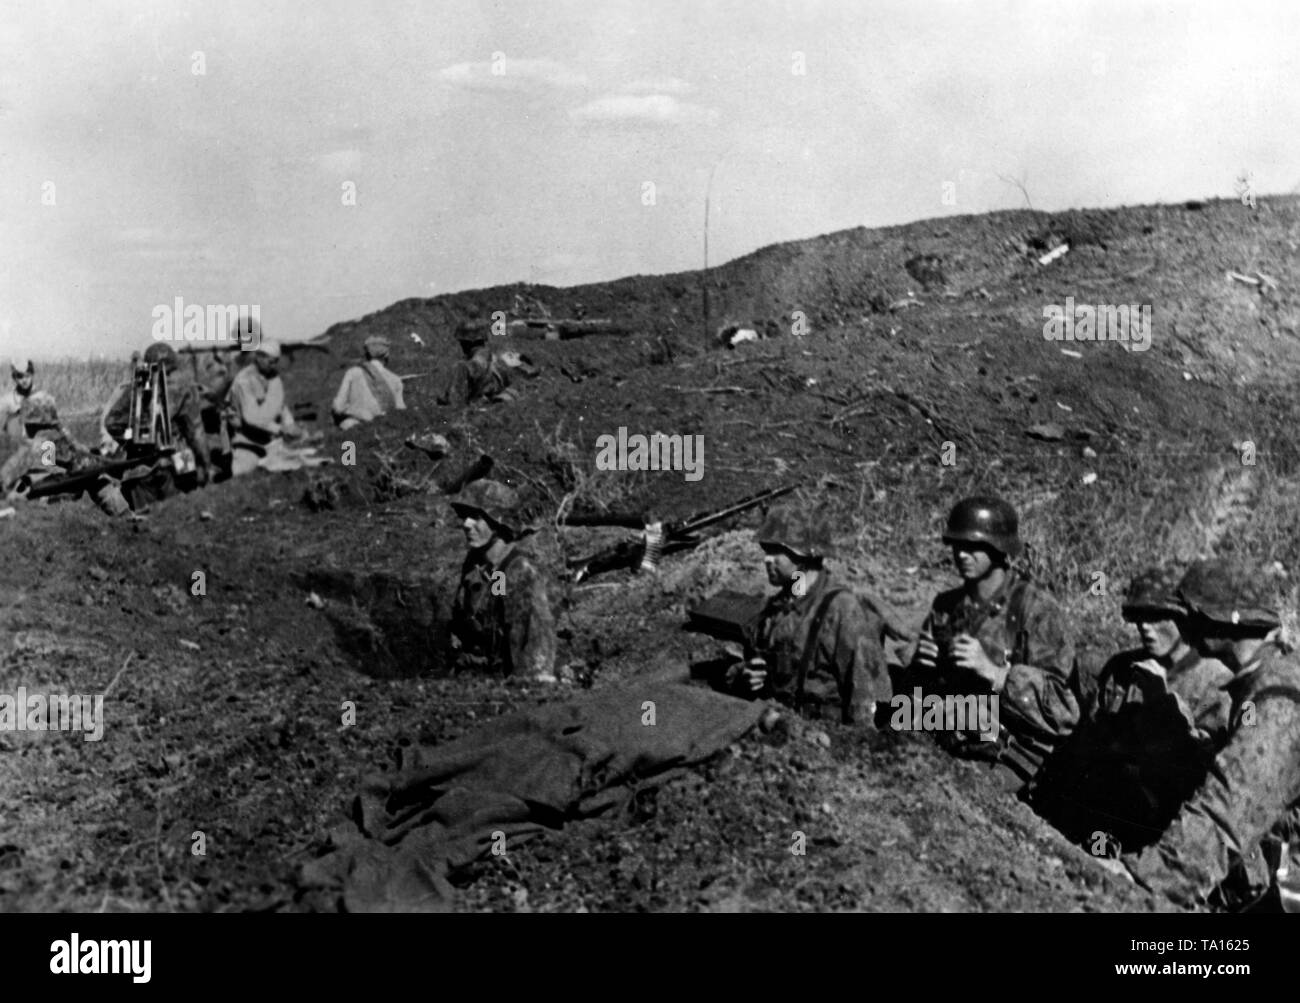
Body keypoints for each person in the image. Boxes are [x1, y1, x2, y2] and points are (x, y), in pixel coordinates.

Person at [1118, 559, 1300, 912]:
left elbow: (1232, 808)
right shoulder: (1264, 680)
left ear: (1217, 620)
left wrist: (1155, 879)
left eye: (1189, 613)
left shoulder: (1278, 696)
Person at [1028, 567, 1233, 848]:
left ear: (1185, 618)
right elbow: (1087, 740)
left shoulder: (1218, 685)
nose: (1144, 627)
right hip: (1105, 810)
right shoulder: (1121, 668)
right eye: (1139, 617)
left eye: (1157, 616)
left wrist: (1162, 704)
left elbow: (1206, 778)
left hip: (1168, 828)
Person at [901, 495, 1078, 786]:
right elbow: (915, 702)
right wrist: (921, 669)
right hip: (949, 739)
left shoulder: (1035, 609)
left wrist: (996, 673)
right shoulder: (946, 606)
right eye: (958, 545)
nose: (961, 554)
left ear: (998, 548)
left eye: (974, 547)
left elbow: (1063, 710)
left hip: (1010, 758)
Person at [725, 503, 890, 725]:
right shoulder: (774, 611)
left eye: (776, 551)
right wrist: (746, 677)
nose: (767, 559)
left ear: (804, 555)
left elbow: (868, 697)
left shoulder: (842, 609)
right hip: (778, 729)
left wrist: (855, 744)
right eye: (766, 551)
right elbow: (748, 665)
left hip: (827, 738)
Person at [448, 479, 557, 680]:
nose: (466, 524)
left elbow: (535, 636)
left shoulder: (519, 570)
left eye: (475, 517)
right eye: (464, 517)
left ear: (497, 522)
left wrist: (530, 684)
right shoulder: (479, 566)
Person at [100, 343, 213, 495]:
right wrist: (206, 465)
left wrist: (135, 440)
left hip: (139, 468)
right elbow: (195, 432)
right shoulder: (184, 388)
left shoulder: (135, 387)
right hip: (177, 465)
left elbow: (111, 422)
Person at [1, 392, 130, 516]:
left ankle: (121, 510)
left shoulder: (45, 438)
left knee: (93, 475)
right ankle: (121, 511)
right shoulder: (46, 439)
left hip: (47, 486)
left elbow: (73, 456)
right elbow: (75, 458)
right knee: (94, 476)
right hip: (41, 489)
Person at [227, 339, 301, 476]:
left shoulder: (269, 375)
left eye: (275, 362)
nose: (273, 366)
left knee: (294, 463)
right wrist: (279, 429)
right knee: (245, 473)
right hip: (246, 438)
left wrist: (290, 423)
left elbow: (279, 404)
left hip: (268, 438)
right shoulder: (244, 381)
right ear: (259, 356)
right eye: (270, 362)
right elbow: (252, 417)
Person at [331, 335, 406, 429]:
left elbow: (338, 407)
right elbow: (401, 412)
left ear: (367, 355)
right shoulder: (396, 380)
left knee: (345, 426)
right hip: (383, 429)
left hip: (355, 429)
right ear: (386, 355)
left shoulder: (353, 373)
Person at [1, 358, 36, 440]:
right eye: (20, 376)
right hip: (14, 445)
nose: (24, 380)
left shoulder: (41, 397)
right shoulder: (7, 400)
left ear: (32, 375)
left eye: (27, 375)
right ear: (15, 378)